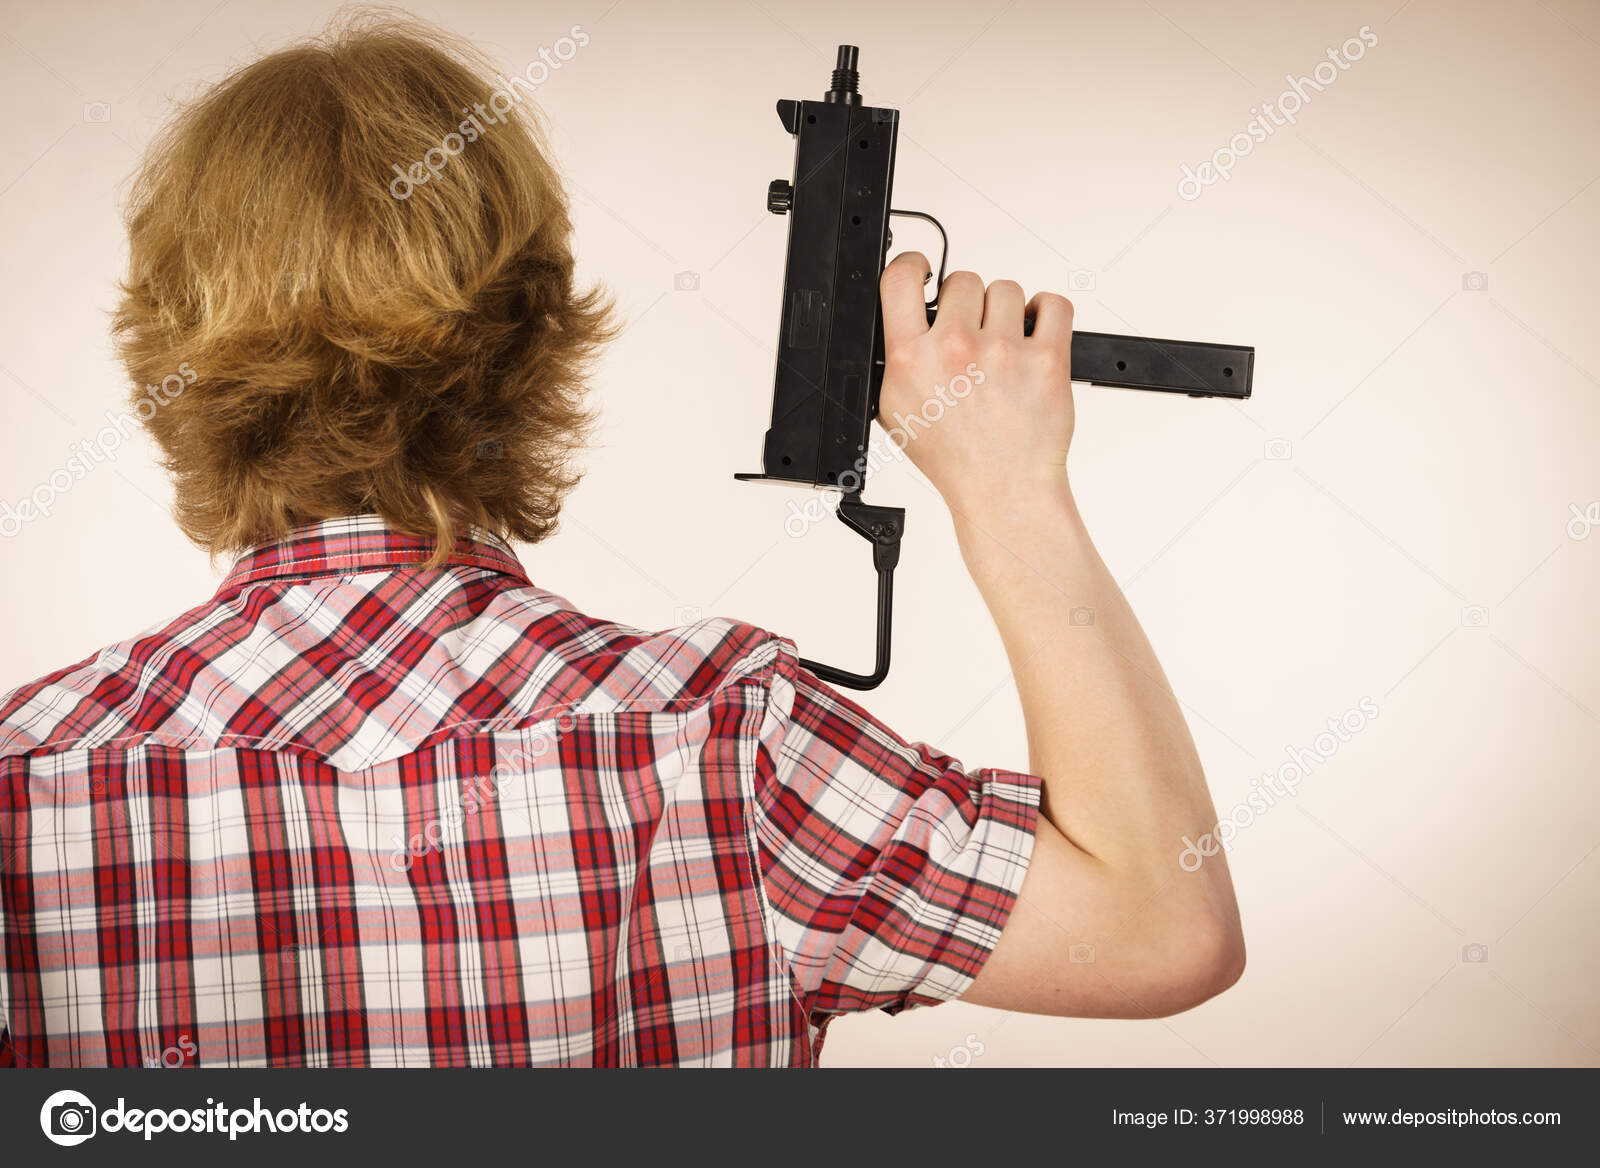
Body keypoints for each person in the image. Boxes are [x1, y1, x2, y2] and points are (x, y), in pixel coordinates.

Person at [0, 14, 1242, 1067]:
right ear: (536, 328)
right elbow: (1160, 927)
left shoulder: (26, 782)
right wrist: (1008, 484)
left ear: (168, 349)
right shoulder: (722, 743)